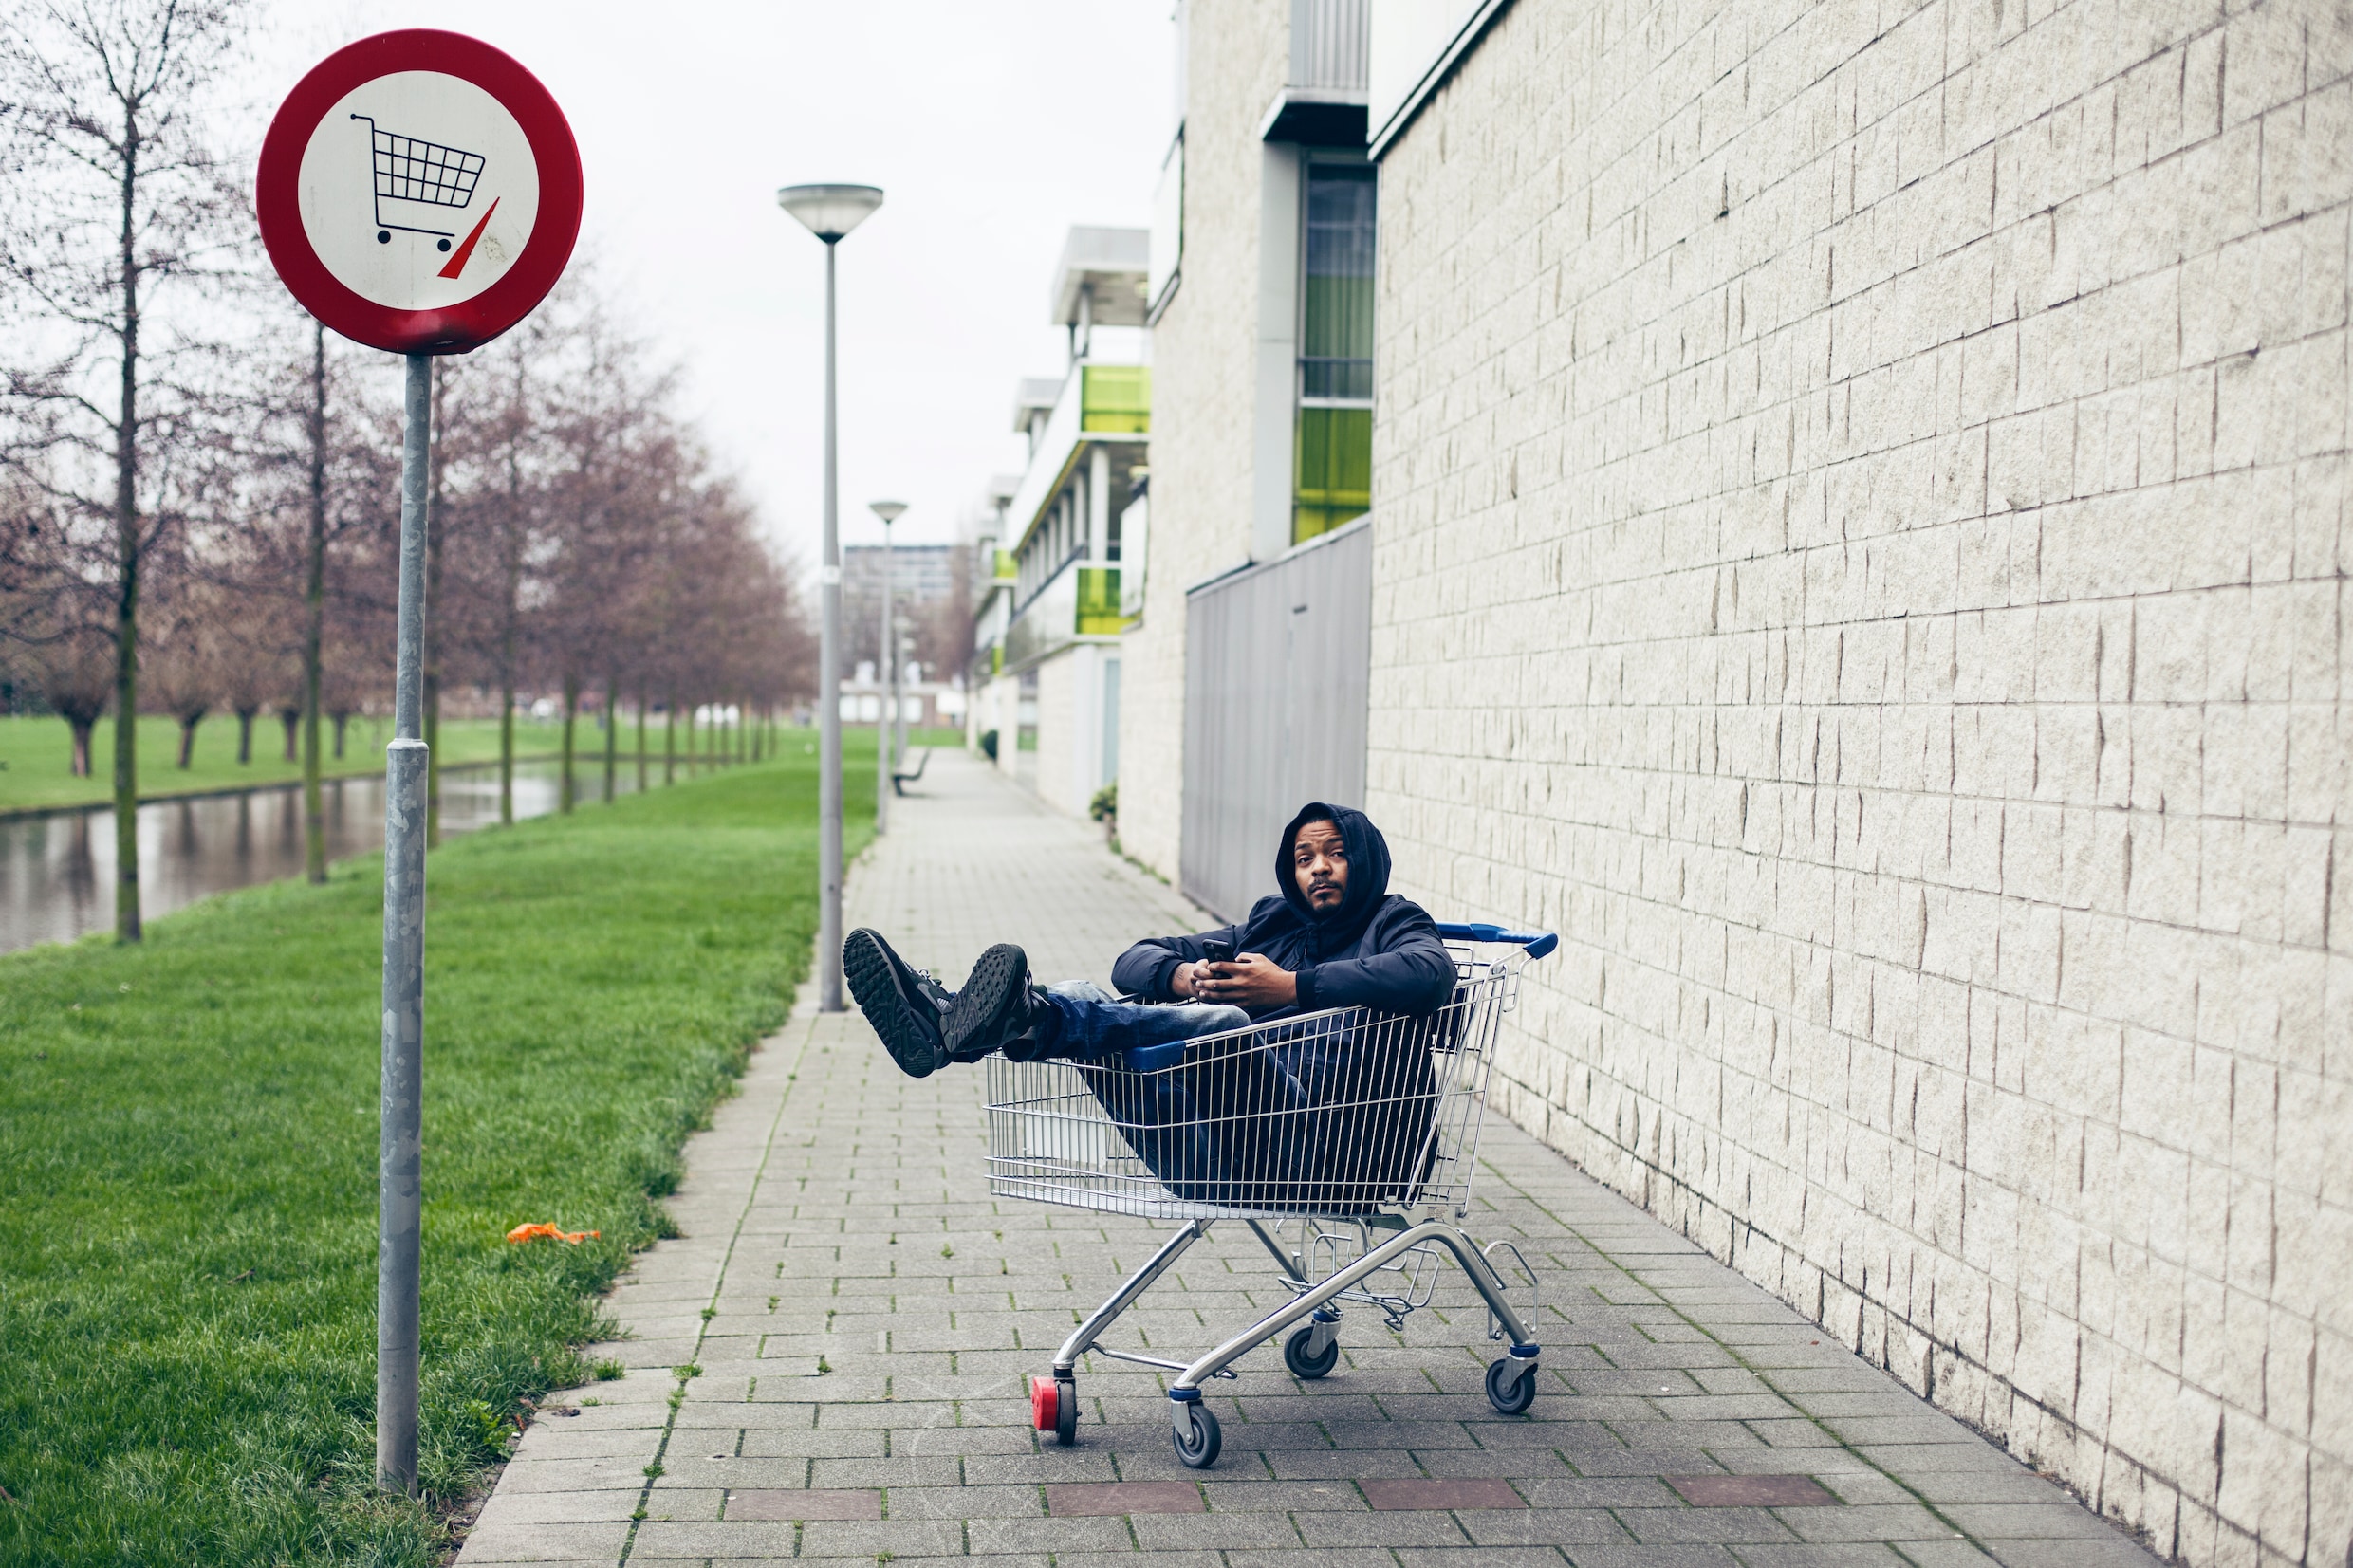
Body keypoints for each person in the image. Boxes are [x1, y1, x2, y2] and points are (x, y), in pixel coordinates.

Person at [843, 803, 1462, 1211]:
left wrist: (1291, 988)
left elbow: (1431, 974)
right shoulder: (1272, 920)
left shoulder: (1394, 920)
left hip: (1337, 1154)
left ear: (1365, 858)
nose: (1319, 868)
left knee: (1222, 1026)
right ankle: (976, 1018)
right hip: (1217, 1152)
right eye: (1304, 858)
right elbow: (1133, 961)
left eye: (1335, 852)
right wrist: (1184, 975)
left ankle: (996, 1019)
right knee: (1090, 991)